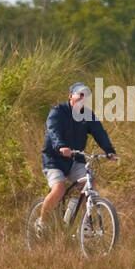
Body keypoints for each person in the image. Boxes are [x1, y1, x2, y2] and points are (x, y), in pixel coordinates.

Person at [37, 82, 117, 229]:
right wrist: (61, 146)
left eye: (85, 95)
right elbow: (53, 131)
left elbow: (99, 133)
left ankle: (86, 223)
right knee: (59, 189)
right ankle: (41, 223)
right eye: (79, 94)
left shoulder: (87, 115)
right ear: (70, 96)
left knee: (90, 183)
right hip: (54, 159)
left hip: (75, 159)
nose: (83, 97)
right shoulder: (58, 112)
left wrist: (109, 150)